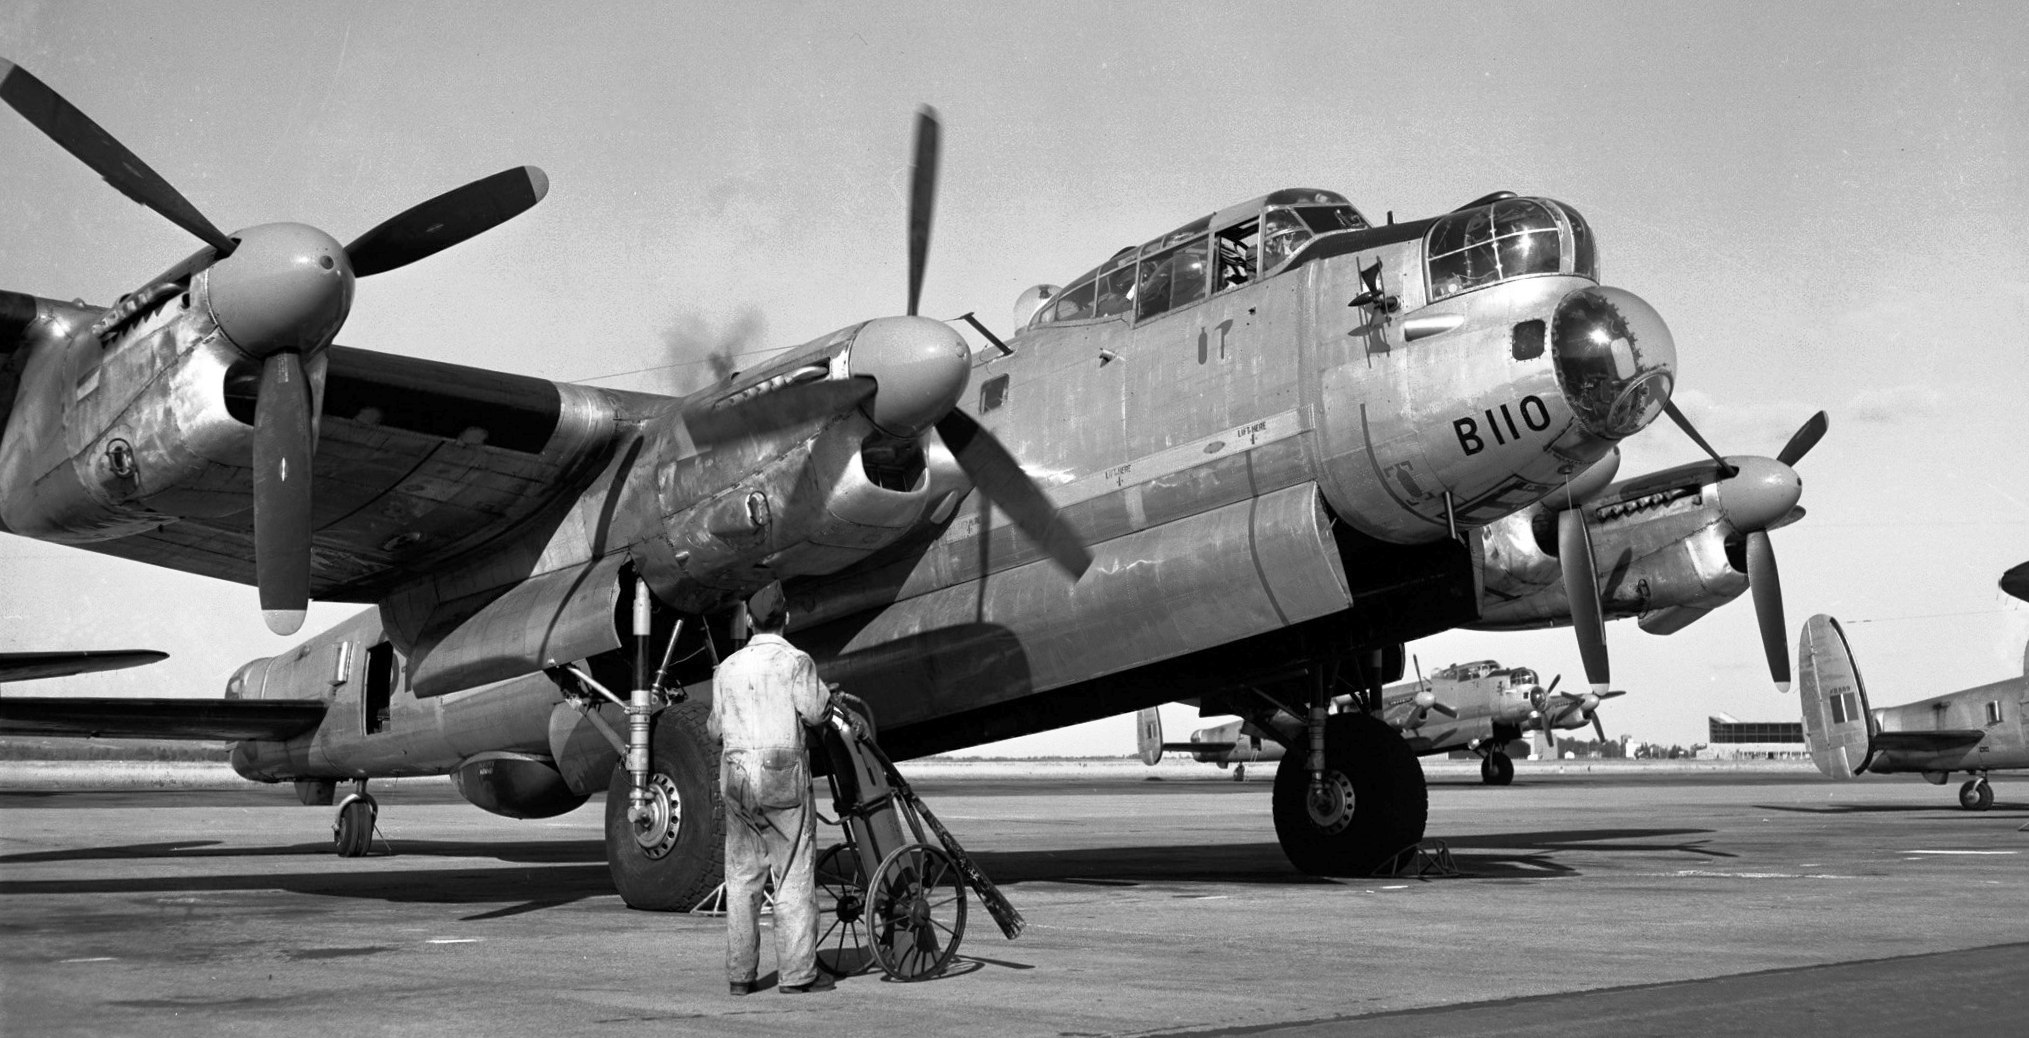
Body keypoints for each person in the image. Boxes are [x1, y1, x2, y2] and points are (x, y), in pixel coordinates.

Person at [709, 582, 833, 996]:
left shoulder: (726, 669)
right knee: (794, 872)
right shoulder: (796, 662)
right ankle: (797, 976)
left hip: (737, 776)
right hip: (781, 775)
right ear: (787, 618)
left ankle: (740, 978)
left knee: (743, 877)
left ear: (747, 620)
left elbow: (714, 729)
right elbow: (816, 712)